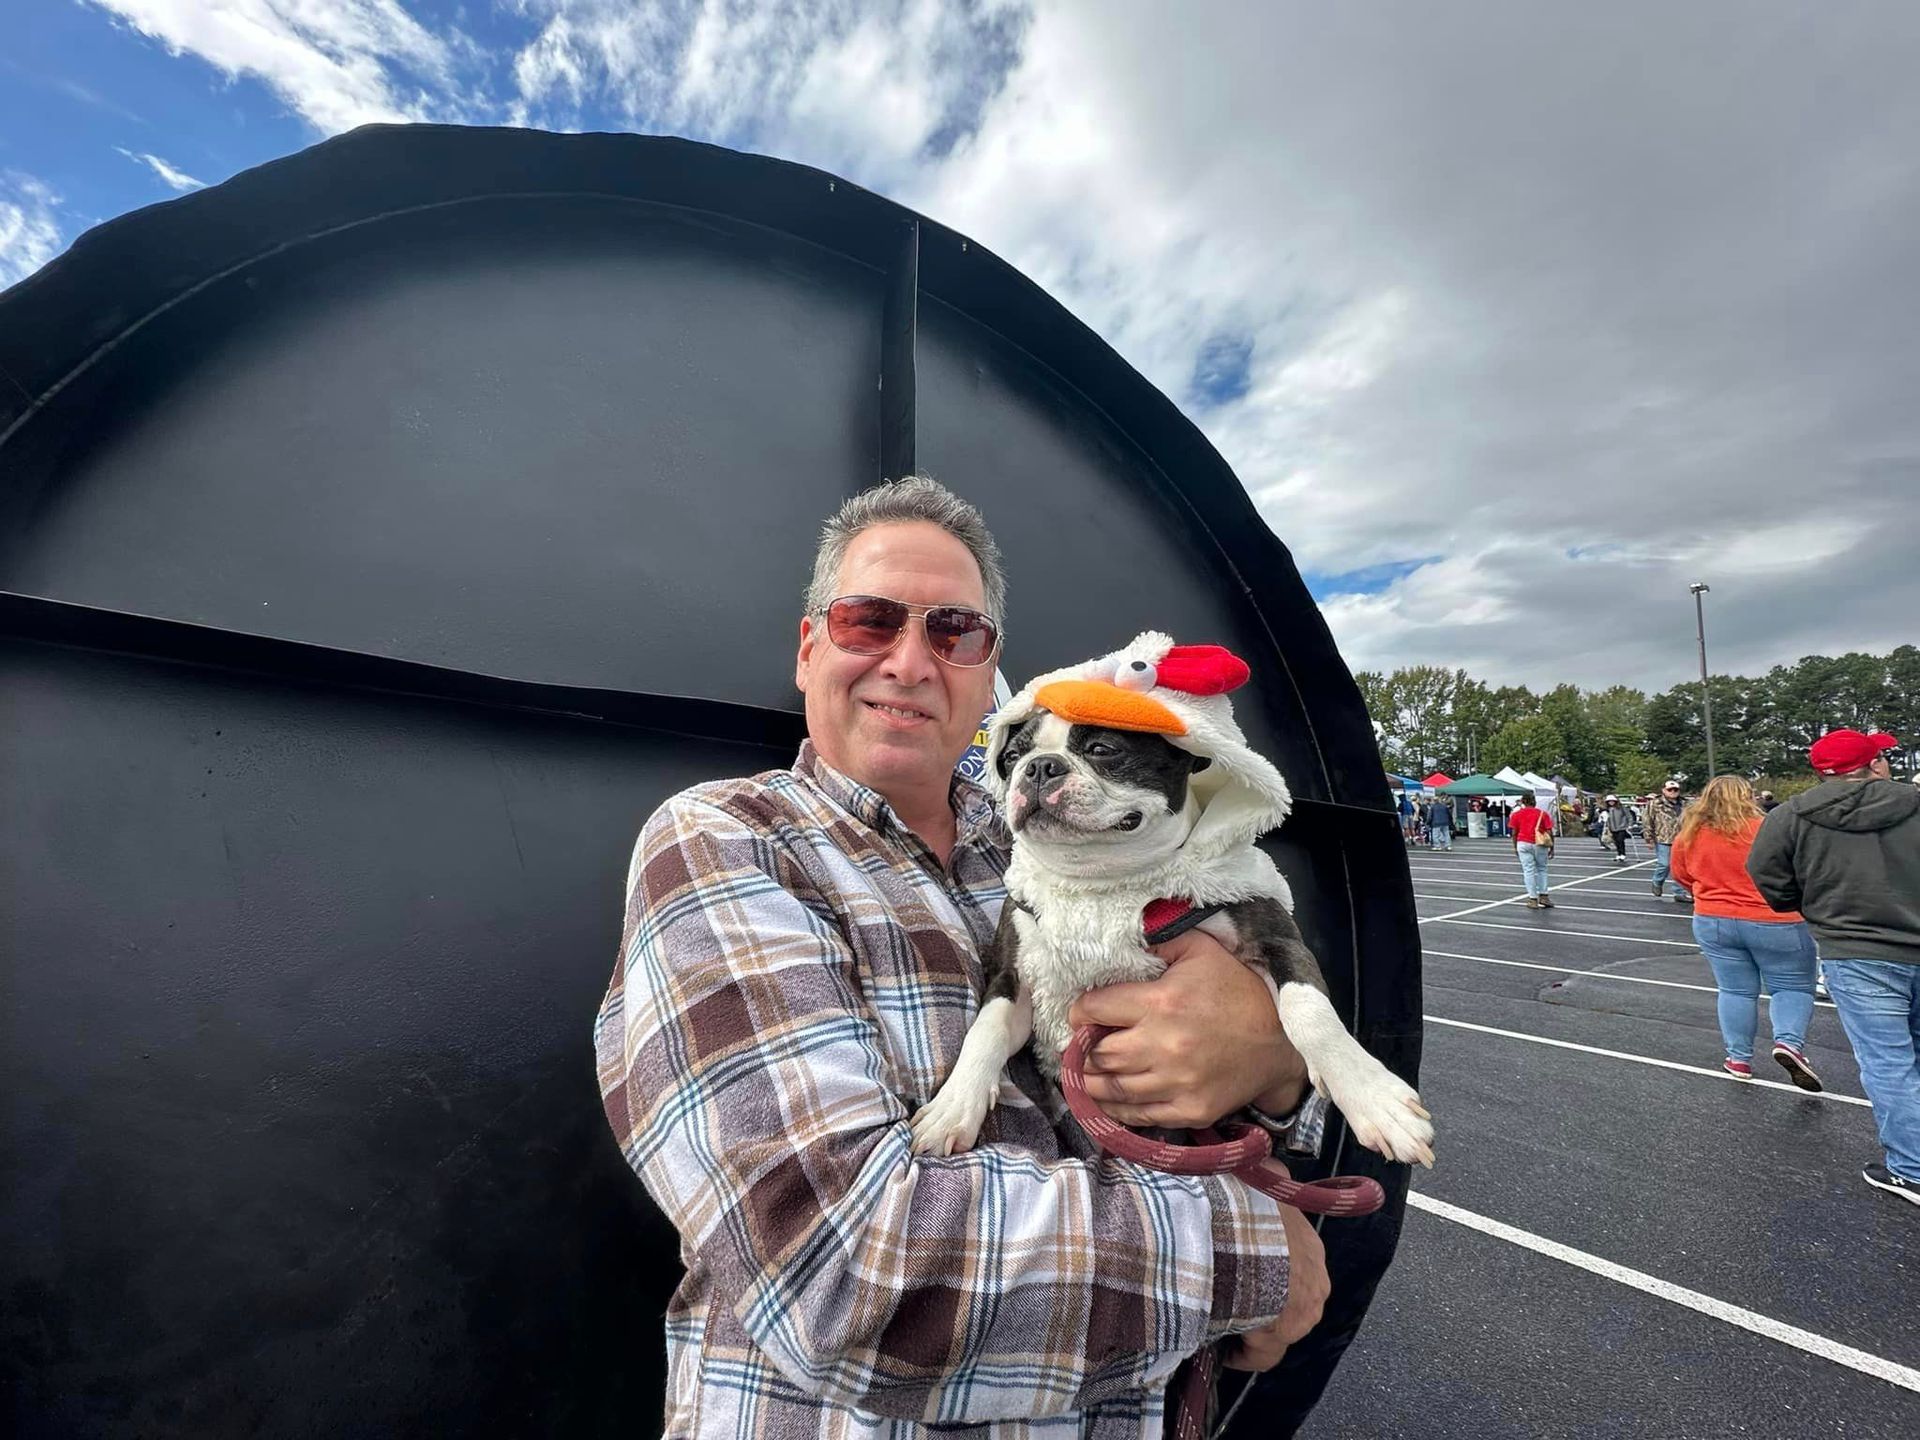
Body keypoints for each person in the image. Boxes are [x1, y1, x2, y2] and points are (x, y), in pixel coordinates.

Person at [593, 476, 1334, 1434]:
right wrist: (1255, 1256)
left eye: (955, 632)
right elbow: (840, 1268)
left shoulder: (1061, 849)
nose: (910, 661)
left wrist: (1275, 1065)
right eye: (868, 621)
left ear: (991, 678)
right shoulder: (727, 838)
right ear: (810, 646)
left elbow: (1229, 1088)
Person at [1749, 729, 1920, 1206]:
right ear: (1876, 764)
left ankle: (1911, 1169)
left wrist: (1805, 904)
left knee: (1889, 1064)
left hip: (1855, 951)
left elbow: (1766, 872)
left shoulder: (1791, 816)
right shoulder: (1914, 801)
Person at [1669, 776, 1821, 1086]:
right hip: (1776, 918)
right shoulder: (1768, 827)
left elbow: (1681, 875)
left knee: (1735, 990)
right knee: (1791, 987)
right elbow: (1799, 869)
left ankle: (1738, 1058)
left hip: (1714, 919)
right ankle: (1789, 1043)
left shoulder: (1690, 832)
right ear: (1749, 796)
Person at [1644, 779, 1693, 902]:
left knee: (1680, 868)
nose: (1673, 792)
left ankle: (1679, 892)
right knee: (1664, 864)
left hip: (1683, 839)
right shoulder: (1655, 803)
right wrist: (1648, 838)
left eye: (1675, 789)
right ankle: (1657, 882)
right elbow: (1647, 821)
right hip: (1663, 838)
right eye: (1670, 789)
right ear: (1664, 790)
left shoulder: (1686, 803)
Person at [1509, 794, 1555, 908]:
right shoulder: (1542, 814)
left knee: (1528, 870)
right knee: (1542, 869)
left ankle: (1532, 899)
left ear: (1523, 801)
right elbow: (1549, 831)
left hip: (1523, 843)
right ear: (1534, 801)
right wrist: (1552, 847)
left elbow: (1514, 832)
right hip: (1539, 843)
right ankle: (1544, 896)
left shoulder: (1516, 814)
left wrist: (1515, 847)